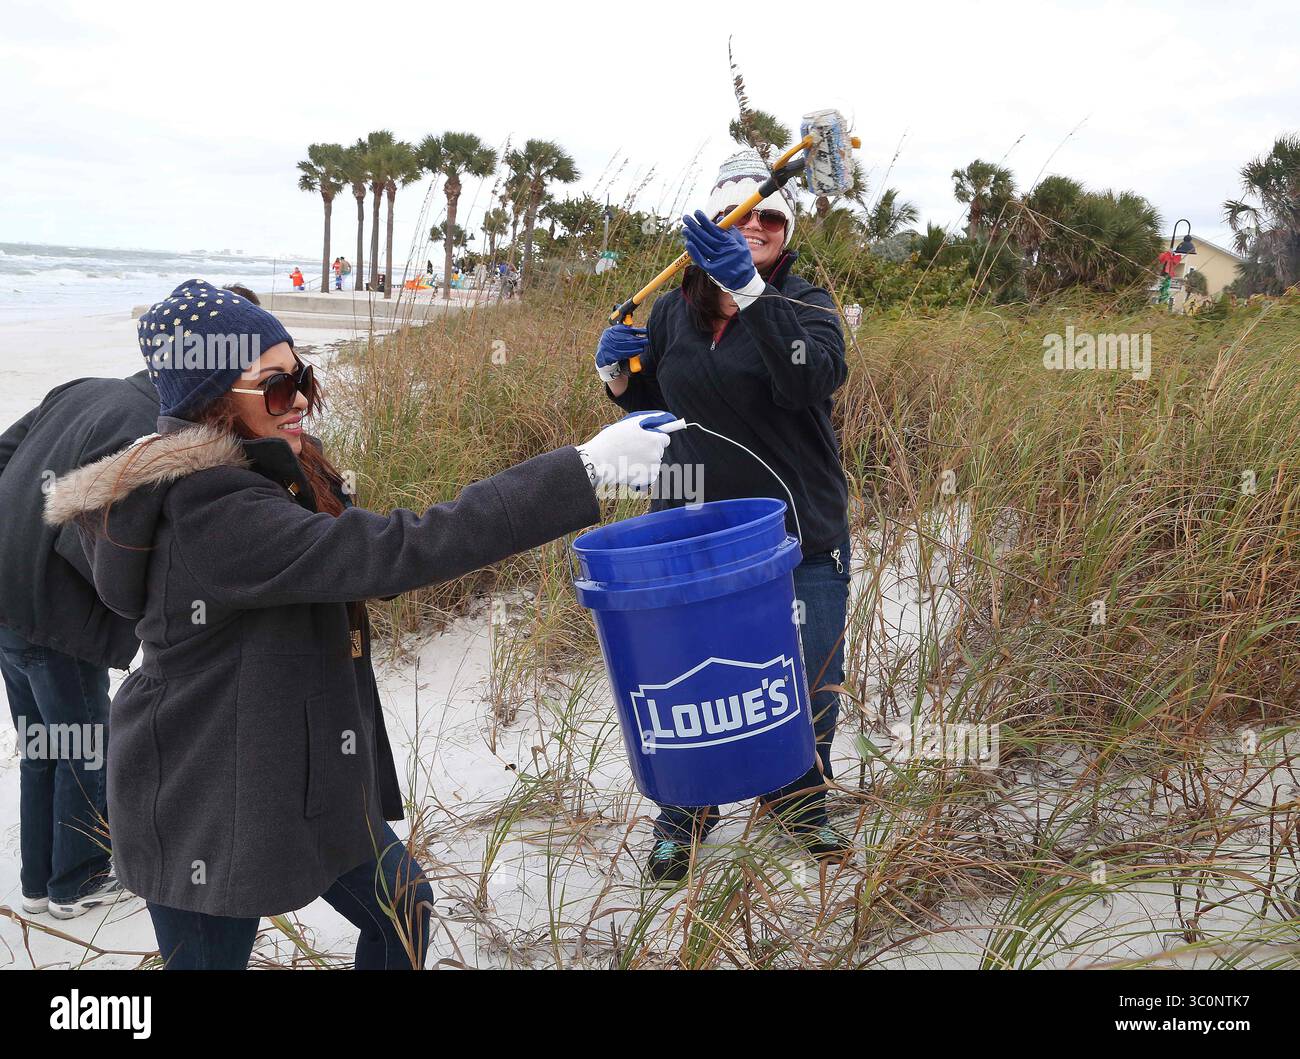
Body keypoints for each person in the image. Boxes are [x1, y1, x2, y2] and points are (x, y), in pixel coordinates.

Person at [44, 279, 670, 968]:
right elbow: (397, 549)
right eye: (278, 388)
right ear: (211, 402)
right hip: (205, 800)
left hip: (299, 775)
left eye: (302, 376)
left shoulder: (247, 476)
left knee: (404, 906)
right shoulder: (208, 511)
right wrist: (582, 472)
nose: (304, 399)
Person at [595, 150, 852, 884]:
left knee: (803, 682)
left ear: (785, 233)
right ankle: (687, 810)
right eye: (741, 216)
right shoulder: (674, 311)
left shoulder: (805, 304)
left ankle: (800, 803)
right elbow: (663, 412)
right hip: (692, 536)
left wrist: (746, 289)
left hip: (796, 535)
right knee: (692, 677)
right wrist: (618, 377)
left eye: (771, 217)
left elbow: (808, 376)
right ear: (713, 223)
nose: (758, 226)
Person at [0, 372, 160, 919]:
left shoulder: (81, 389)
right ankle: (78, 881)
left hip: (9, 597)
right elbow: (88, 547)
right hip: (57, 617)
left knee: (43, 745)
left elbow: (4, 456)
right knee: (86, 749)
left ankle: (37, 883)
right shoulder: (147, 431)